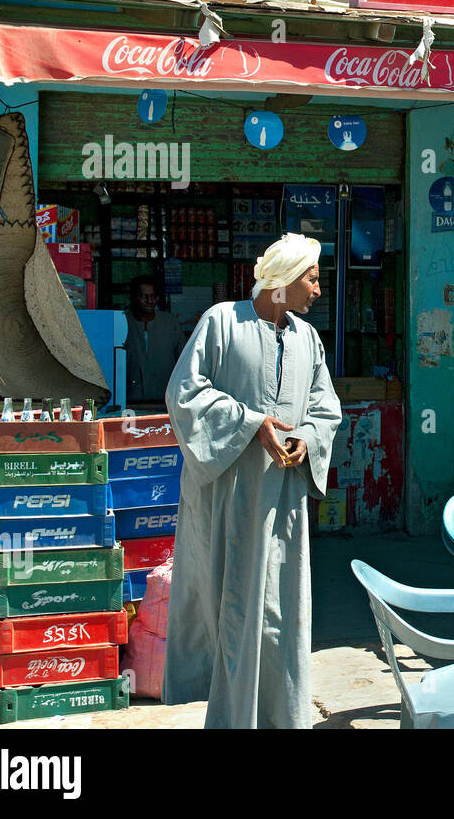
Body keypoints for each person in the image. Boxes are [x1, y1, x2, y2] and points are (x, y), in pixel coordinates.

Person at [162, 233, 342, 728]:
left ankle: (284, 718)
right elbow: (184, 394)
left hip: (282, 500)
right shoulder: (222, 322)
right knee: (232, 610)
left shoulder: (308, 338)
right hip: (229, 498)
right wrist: (249, 423)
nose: (317, 290)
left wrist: (307, 434)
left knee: (283, 612)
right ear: (282, 281)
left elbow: (326, 406)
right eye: (312, 278)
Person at [125, 274, 186, 405]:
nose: (149, 300)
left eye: (153, 296)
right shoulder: (123, 321)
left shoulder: (169, 322)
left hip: (164, 399)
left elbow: (184, 360)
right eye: (143, 296)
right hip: (130, 399)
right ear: (133, 298)